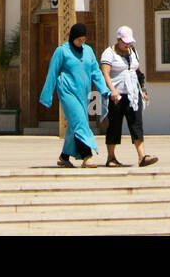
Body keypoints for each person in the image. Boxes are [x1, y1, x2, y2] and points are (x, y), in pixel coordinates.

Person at [39, 22, 117, 168]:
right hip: (67, 92)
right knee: (81, 122)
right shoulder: (62, 51)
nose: (81, 42)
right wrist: (47, 96)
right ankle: (87, 157)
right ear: (72, 37)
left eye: (83, 40)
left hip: (83, 94)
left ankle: (64, 157)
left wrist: (104, 89)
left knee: (74, 126)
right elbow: (52, 73)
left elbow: (96, 72)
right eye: (78, 40)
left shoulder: (88, 51)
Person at [100, 25, 158, 167]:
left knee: (136, 124)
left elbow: (138, 71)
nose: (127, 45)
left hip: (133, 94)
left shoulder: (133, 51)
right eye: (125, 42)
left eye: (129, 42)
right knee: (114, 126)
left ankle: (142, 156)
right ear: (118, 40)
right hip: (117, 96)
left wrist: (143, 89)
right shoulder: (109, 53)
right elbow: (105, 74)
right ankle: (111, 158)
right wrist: (112, 90)